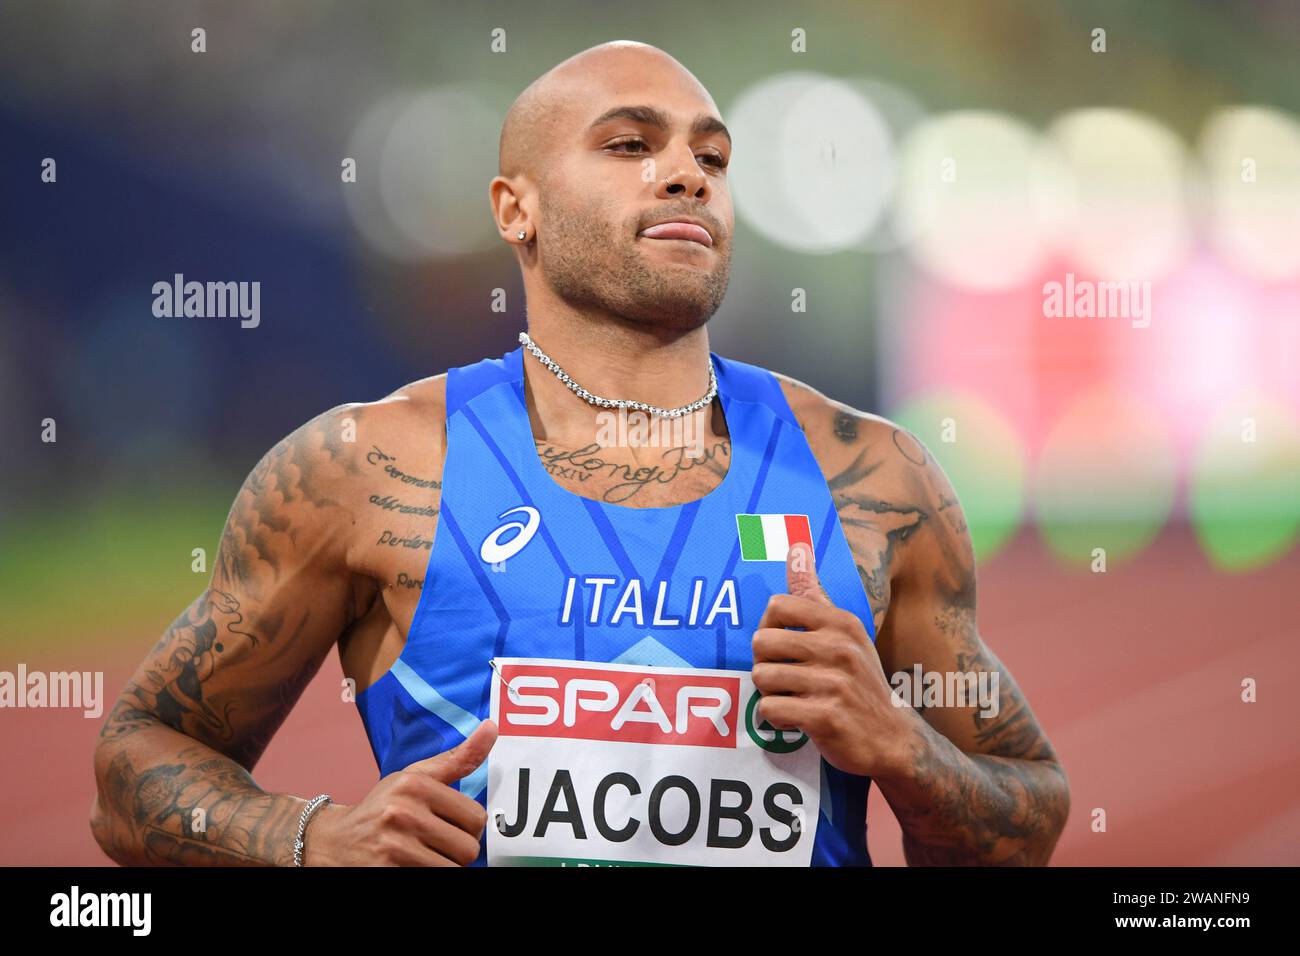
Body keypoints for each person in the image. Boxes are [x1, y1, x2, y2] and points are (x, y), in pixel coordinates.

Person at [91, 40, 1069, 866]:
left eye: (713, 159)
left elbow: (1029, 809)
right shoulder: (364, 468)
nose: (688, 172)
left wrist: (904, 748)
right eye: (630, 144)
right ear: (514, 208)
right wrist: (309, 838)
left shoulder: (875, 480)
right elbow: (135, 761)